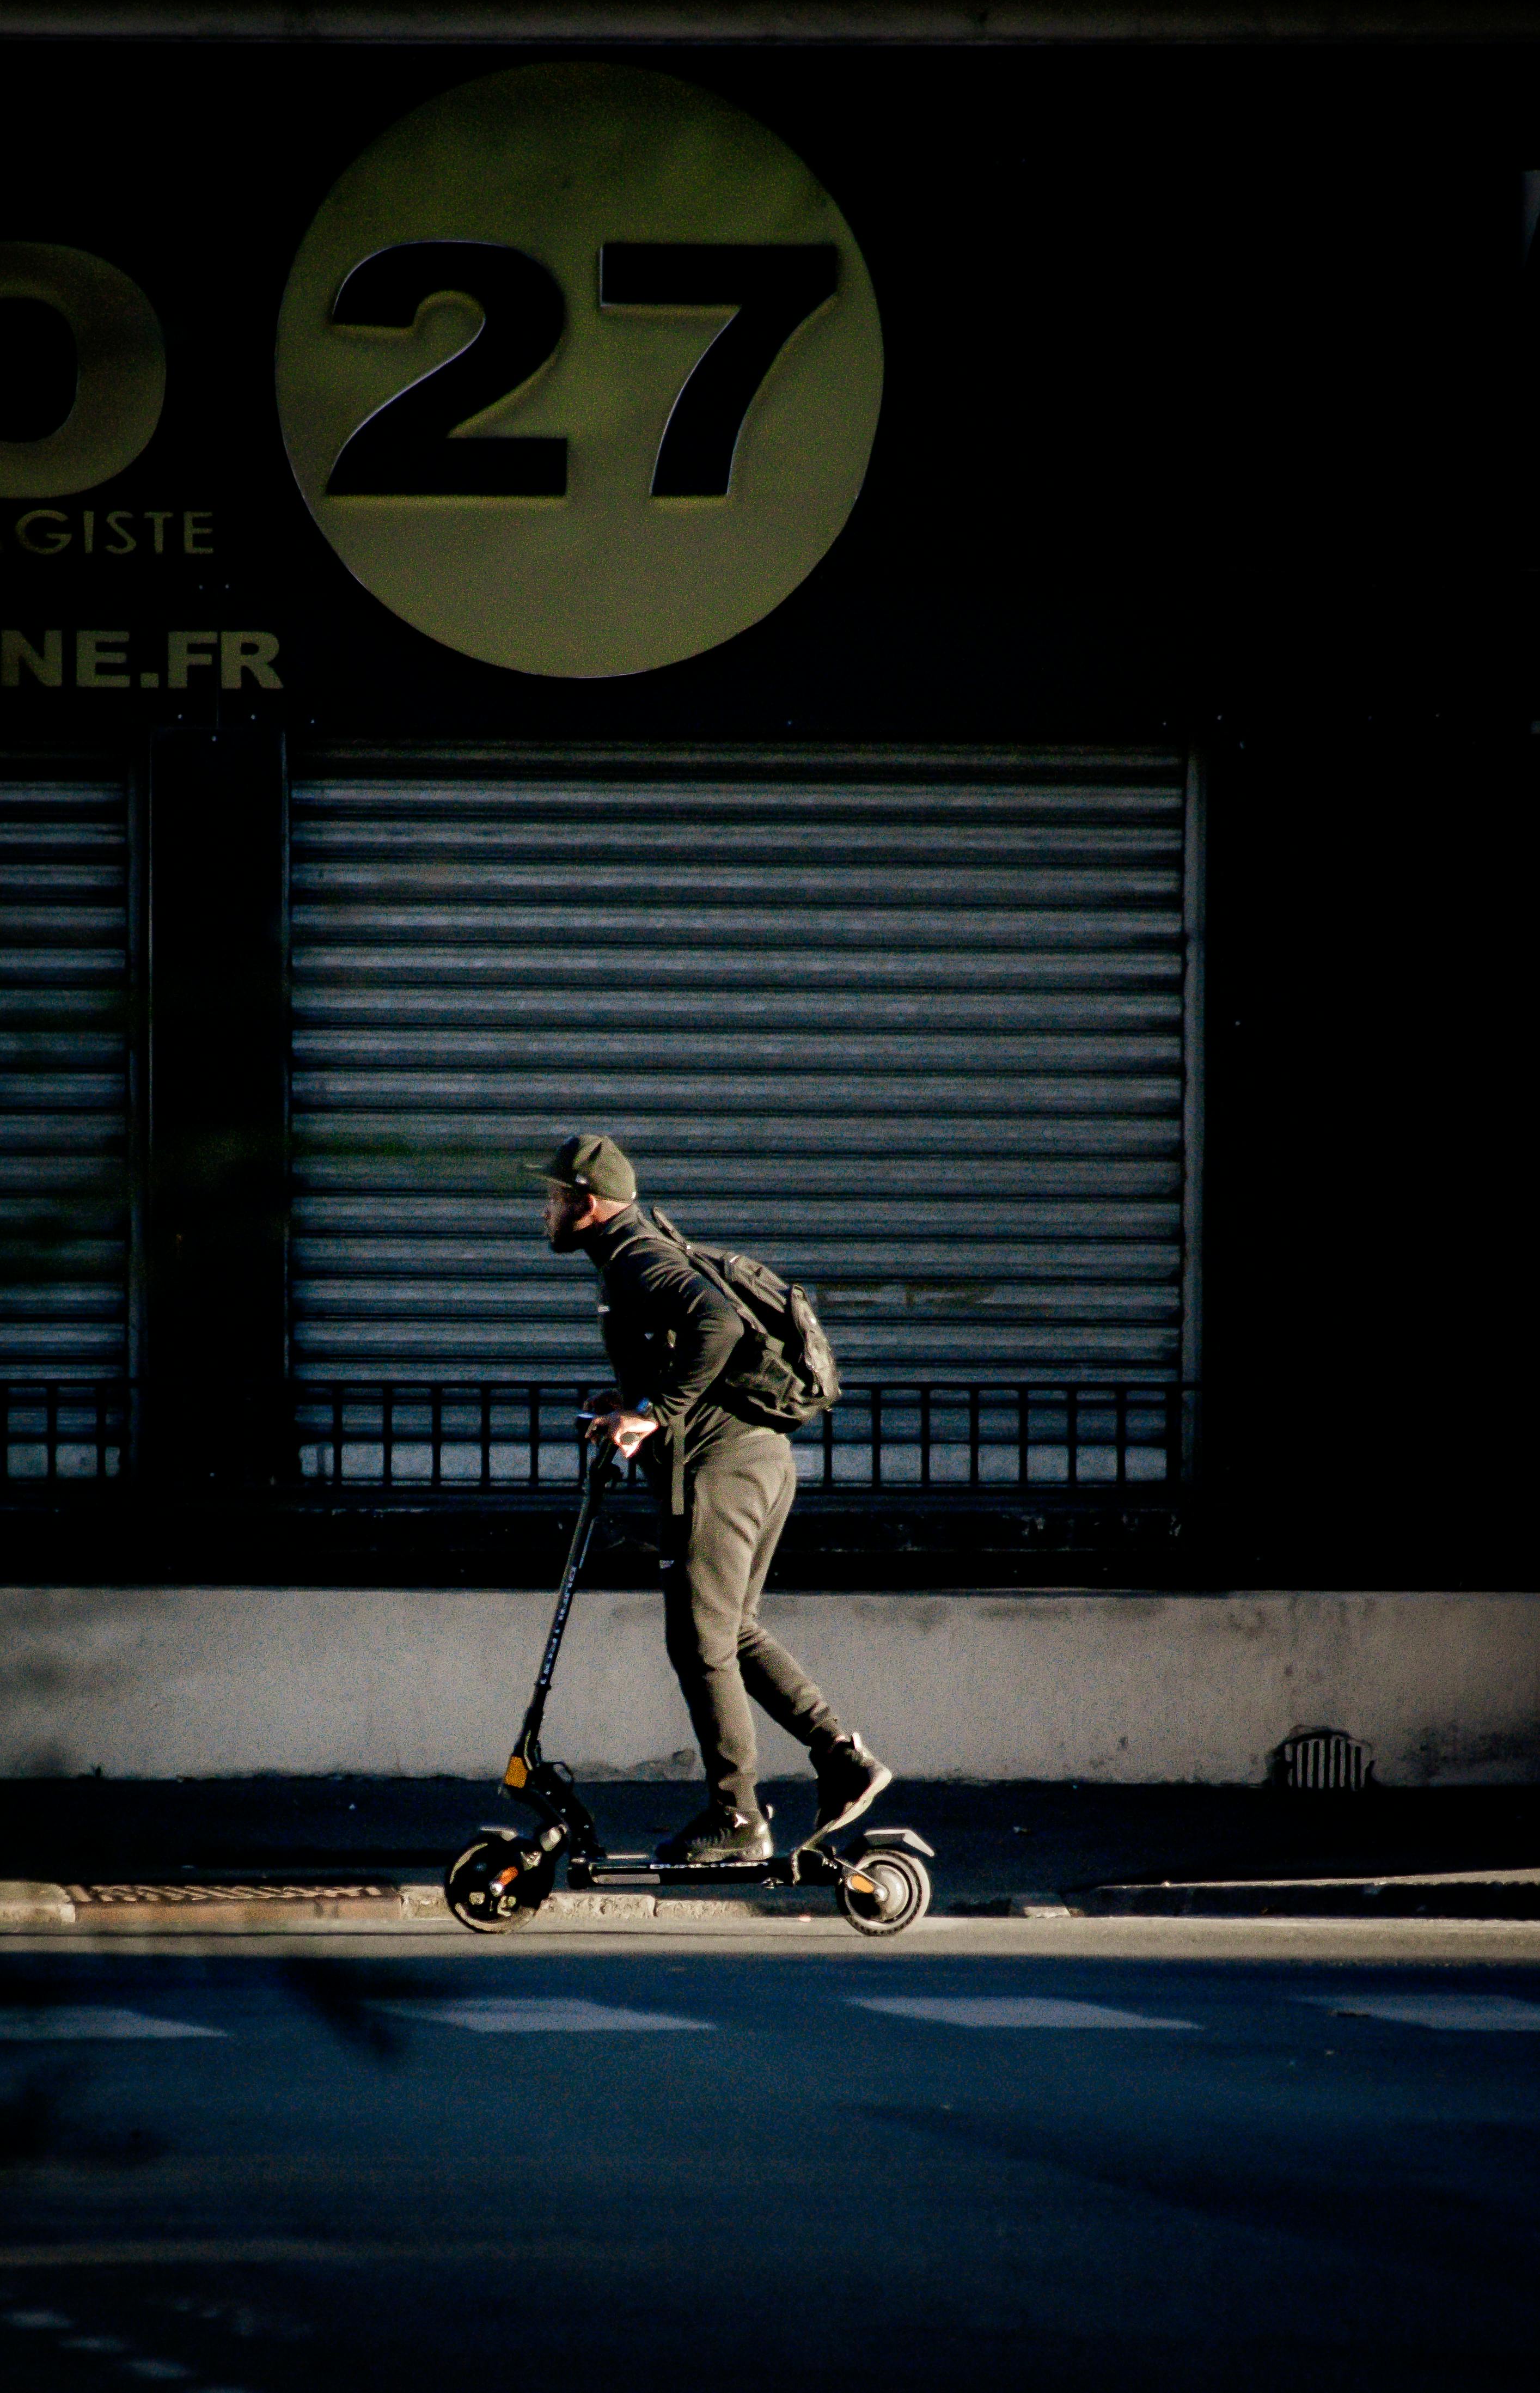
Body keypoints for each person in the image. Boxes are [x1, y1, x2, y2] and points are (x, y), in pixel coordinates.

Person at [529, 1130, 891, 1863]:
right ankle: (843, 1758)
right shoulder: (630, 1256)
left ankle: (737, 1816)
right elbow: (686, 1351)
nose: (545, 1209)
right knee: (729, 1632)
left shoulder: (636, 1259)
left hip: (722, 1468)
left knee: (698, 1642)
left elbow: (718, 1324)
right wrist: (629, 1405)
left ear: (588, 1205)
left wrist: (656, 1412)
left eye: (554, 1196)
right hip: (755, 1460)